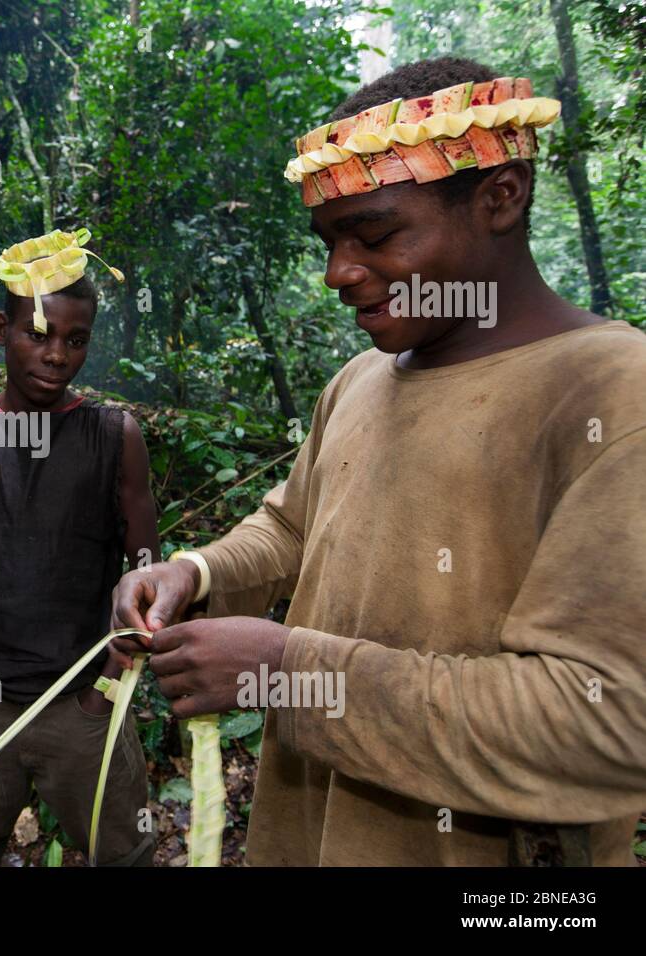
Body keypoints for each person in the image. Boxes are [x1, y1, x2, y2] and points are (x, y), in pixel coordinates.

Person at [110, 57, 646, 866]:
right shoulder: (360, 380)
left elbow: (609, 724)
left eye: (377, 232)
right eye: (330, 242)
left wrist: (294, 676)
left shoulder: (613, 395)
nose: (339, 274)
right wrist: (196, 572)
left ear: (501, 196)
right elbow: (294, 528)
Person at [0, 229, 160, 866]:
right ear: (2, 330)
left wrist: (107, 690)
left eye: (76, 340)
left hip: (82, 706)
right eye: (39, 334)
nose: (57, 356)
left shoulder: (114, 436)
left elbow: (148, 574)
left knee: (122, 852)